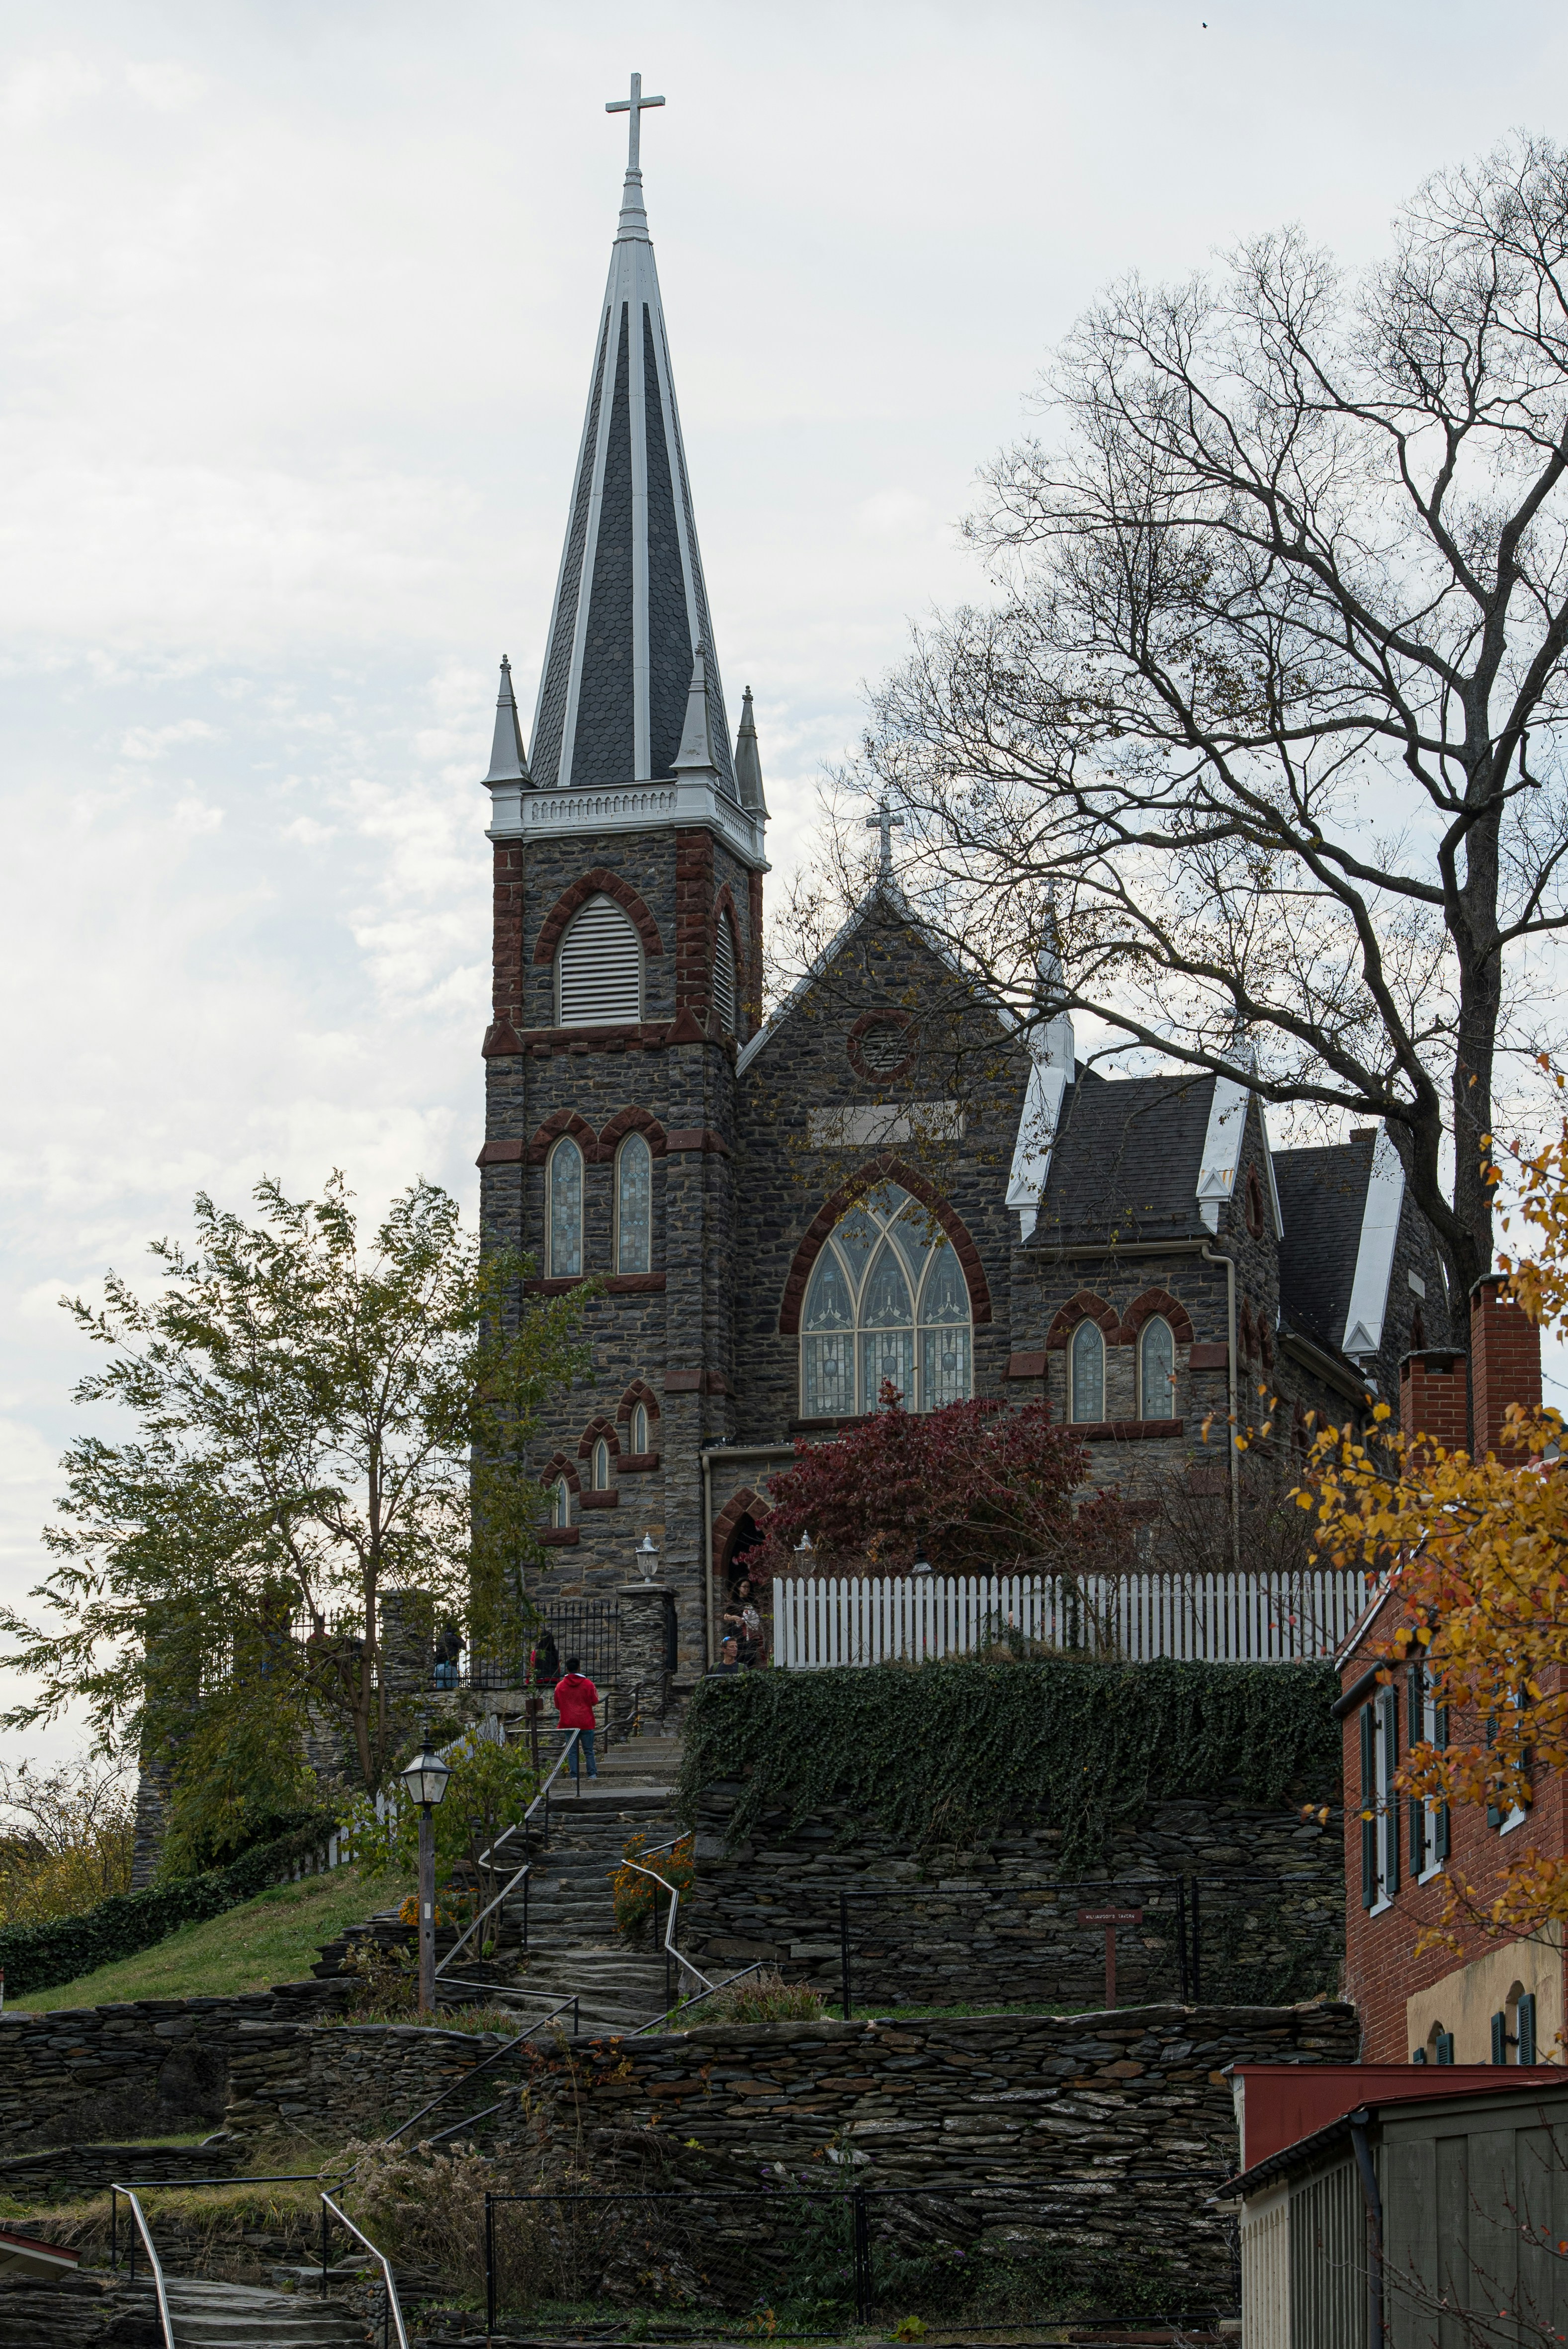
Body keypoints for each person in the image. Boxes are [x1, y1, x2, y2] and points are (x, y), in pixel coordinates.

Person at [554, 1654, 599, 1780]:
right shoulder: (588, 1684)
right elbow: (595, 1701)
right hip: (586, 1722)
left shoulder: (560, 1686)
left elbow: (557, 1705)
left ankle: (574, 1776)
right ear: (579, 1668)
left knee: (572, 1751)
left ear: (567, 1669)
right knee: (589, 1750)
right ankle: (592, 1774)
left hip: (568, 1722)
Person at [432, 1620, 463, 1690]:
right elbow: (463, 1646)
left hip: (438, 1666)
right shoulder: (452, 1637)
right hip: (448, 1665)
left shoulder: (441, 1637)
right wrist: (459, 1637)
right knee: (453, 1690)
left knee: (439, 1690)